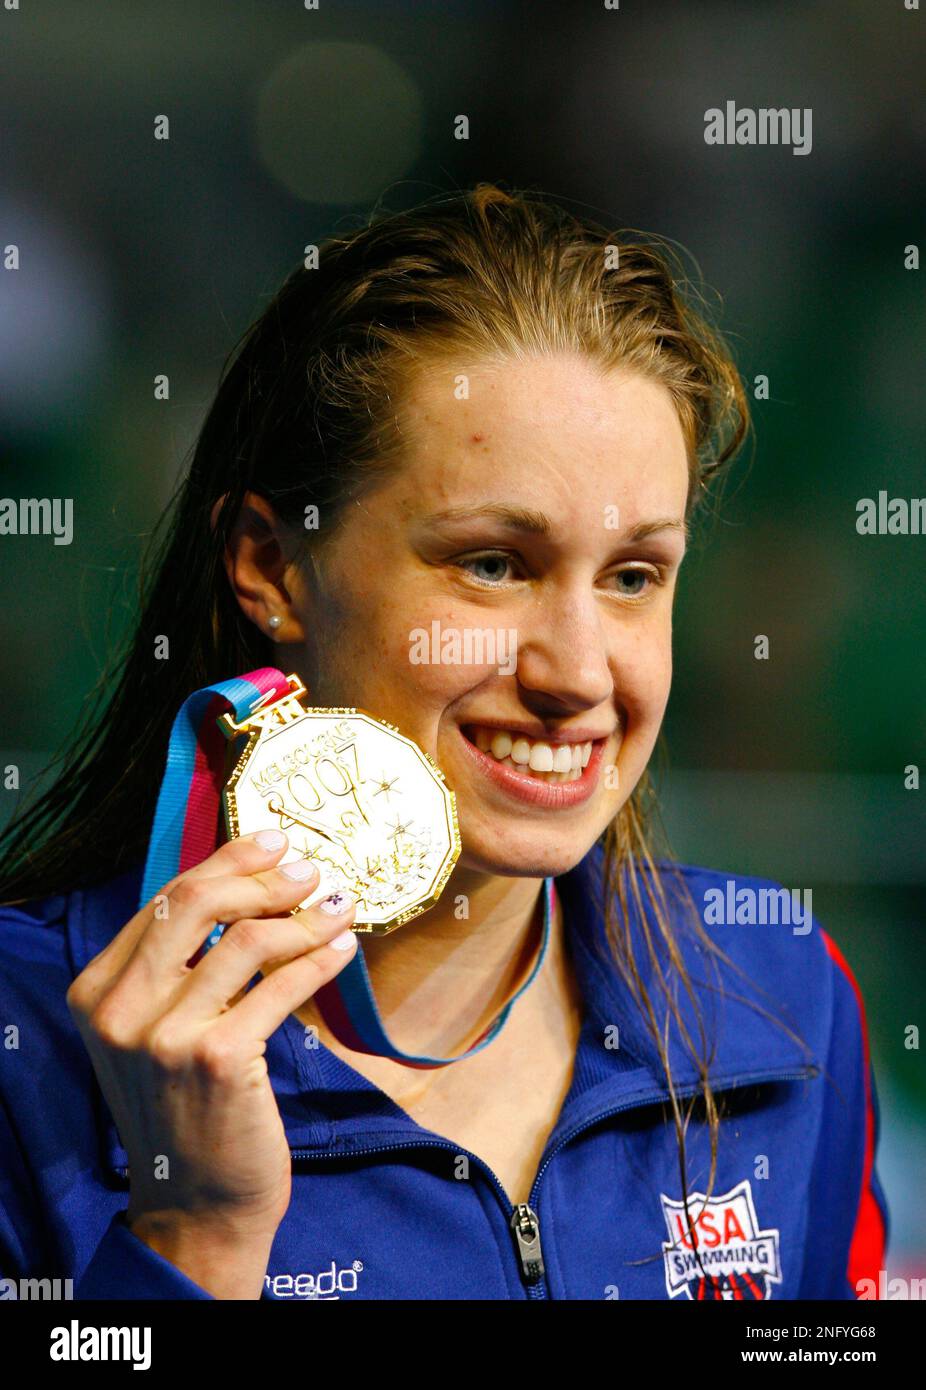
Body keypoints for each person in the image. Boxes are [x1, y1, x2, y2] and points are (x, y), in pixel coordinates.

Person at [0, 184, 887, 1301]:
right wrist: (193, 1241)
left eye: (630, 576)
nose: (574, 673)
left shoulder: (779, 998)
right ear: (273, 569)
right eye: (491, 563)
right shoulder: (22, 1037)